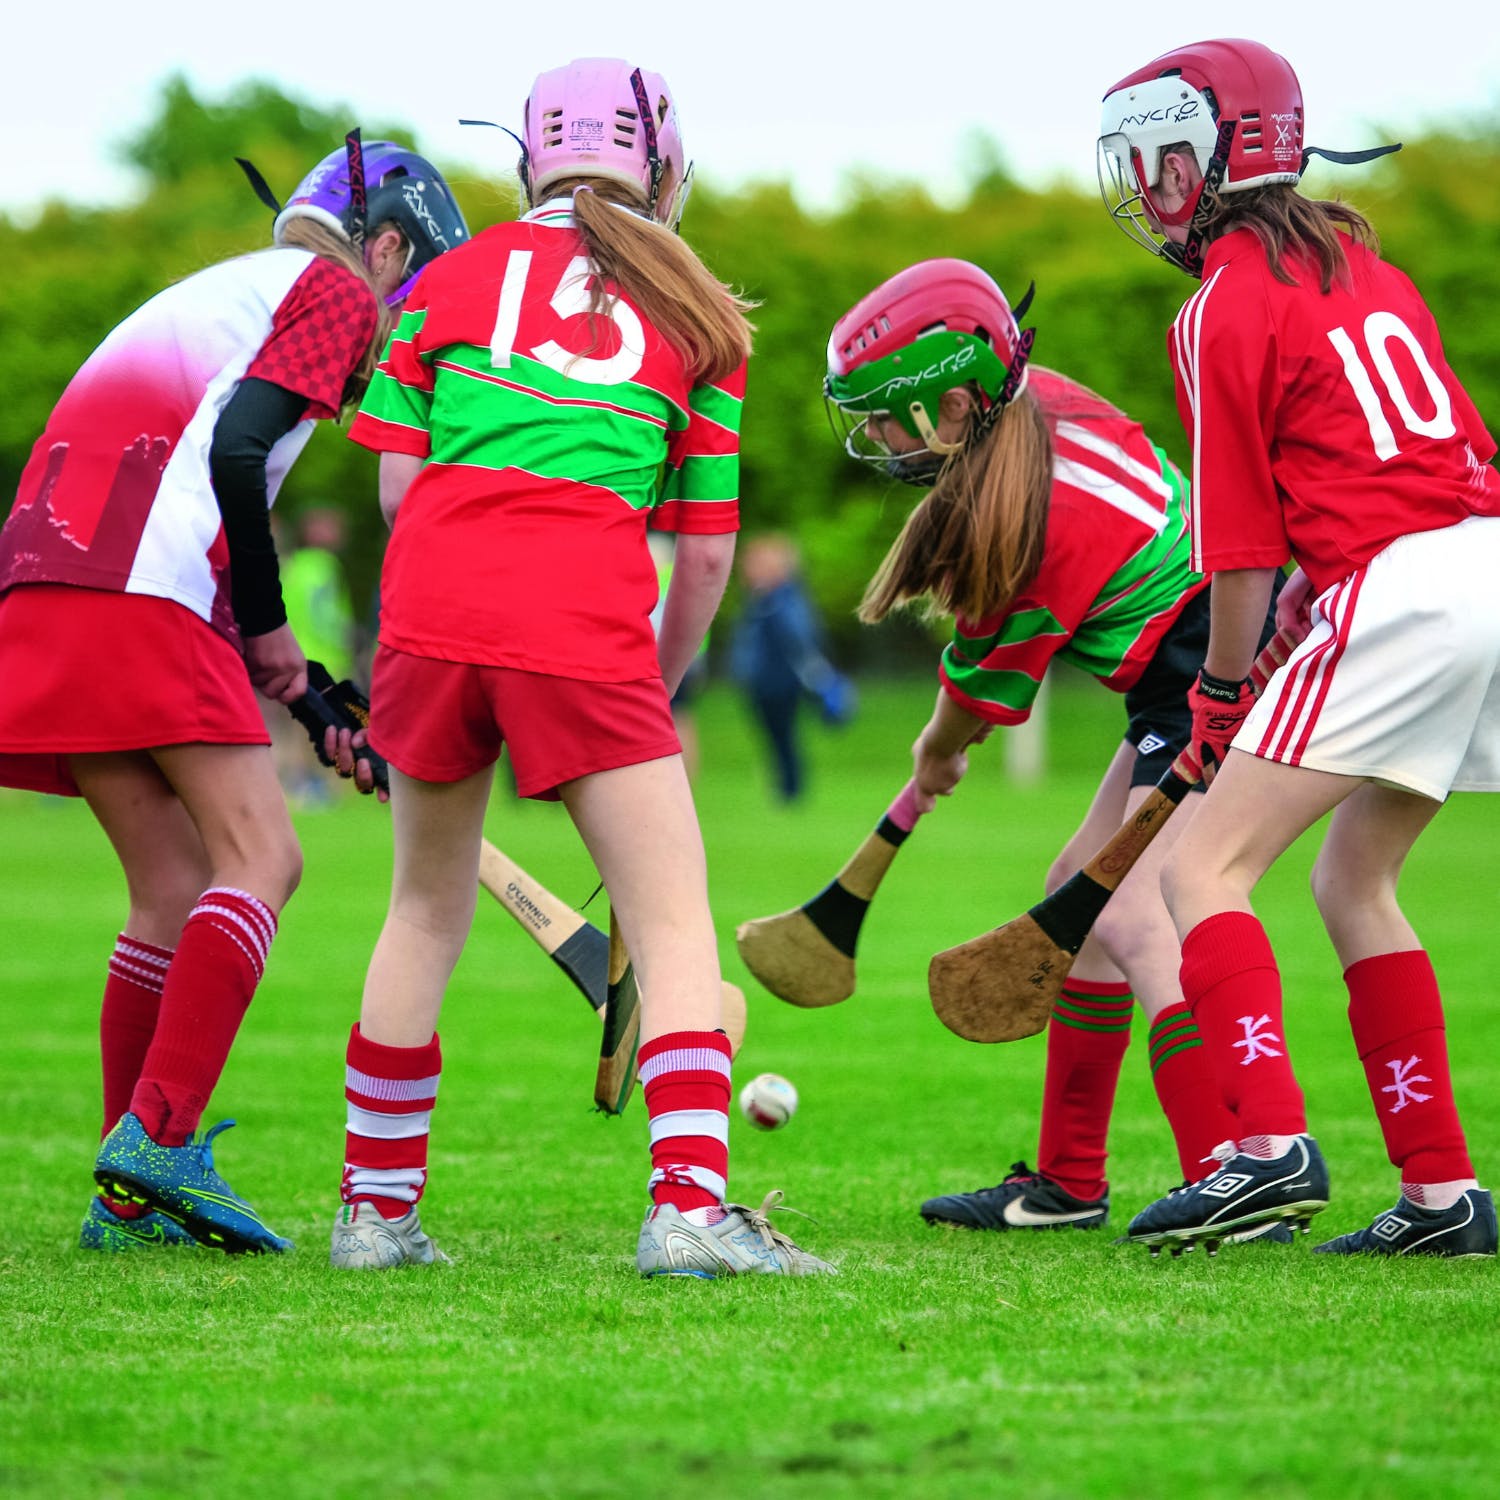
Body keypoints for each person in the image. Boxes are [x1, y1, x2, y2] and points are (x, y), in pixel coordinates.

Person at [327, 57, 833, 1278]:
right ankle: (689, 1212)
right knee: (669, 920)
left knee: (421, 907)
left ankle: (373, 1217)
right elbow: (704, 559)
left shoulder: (446, 278)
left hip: (431, 612)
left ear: (529, 164)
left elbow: (399, 486)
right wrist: (654, 679)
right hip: (585, 621)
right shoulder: (703, 311)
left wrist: (456, 598)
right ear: (660, 168)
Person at [0, 134, 467, 1254]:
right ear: (385, 244)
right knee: (265, 858)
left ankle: (126, 1194)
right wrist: (266, 629)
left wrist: (309, 698)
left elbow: (202, 478)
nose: (397, 330)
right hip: (143, 581)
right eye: (410, 292)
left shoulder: (226, 292)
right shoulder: (330, 290)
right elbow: (238, 456)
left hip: (50, 579)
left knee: (171, 883)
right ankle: (157, 1141)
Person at [1098, 38, 1498, 1257]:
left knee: (1197, 874)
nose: (1147, 190)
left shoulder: (1220, 301)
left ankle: (1266, 1153)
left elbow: (1236, 542)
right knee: (1353, 879)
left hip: (1395, 588)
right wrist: (1295, 615)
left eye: (1159, 163)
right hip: (1480, 561)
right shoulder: (1364, 264)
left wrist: (1220, 689)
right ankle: (1442, 1197)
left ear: (1210, 157)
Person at [825, 257, 1284, 1238]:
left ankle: (1235, 1174)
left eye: (880, 419)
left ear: (953, 407)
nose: (871, 439)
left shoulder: (1035, 517)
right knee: (1074, 878)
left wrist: (933, 754)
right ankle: (1070, 1183)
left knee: (1130, 918)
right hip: (1189, 659)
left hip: (1215, 668)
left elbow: (979, 693)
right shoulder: (1033, 412)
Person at [729, 534, 853, 802]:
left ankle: (790, 789)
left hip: (779, 679)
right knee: (776, 736)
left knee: (783, 735)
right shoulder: (761, 599)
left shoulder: (782, 600)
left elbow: (800, 639)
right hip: (763, 679)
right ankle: (786, 785)